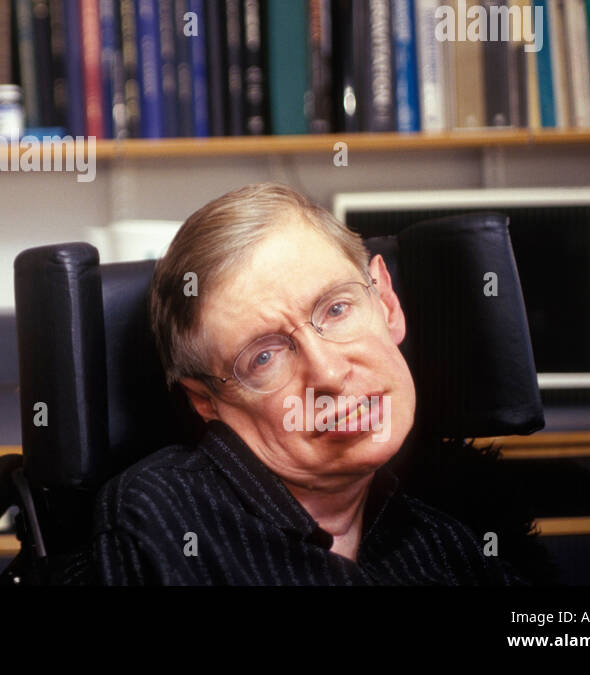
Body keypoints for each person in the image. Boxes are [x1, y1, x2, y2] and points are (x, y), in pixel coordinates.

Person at [90, 182, 522, 584]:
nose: (329, 375)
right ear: (207, 400)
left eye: (336, 310)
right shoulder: (156, 523)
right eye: (264, 357)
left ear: (387, 303)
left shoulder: (453, 542)